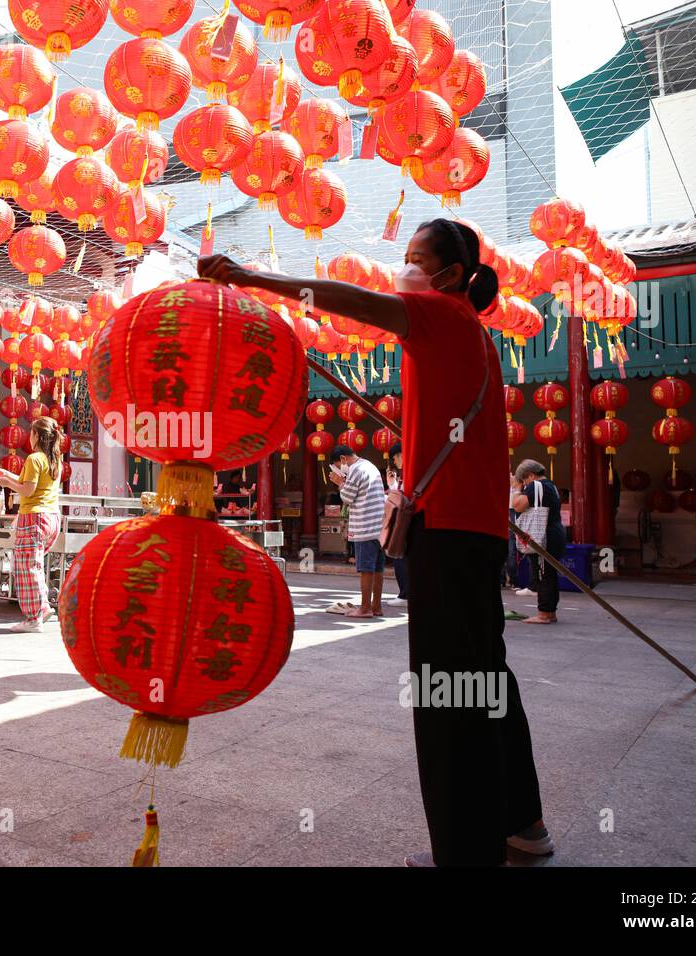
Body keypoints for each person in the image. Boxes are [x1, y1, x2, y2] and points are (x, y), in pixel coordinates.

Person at [199, 218, 551, 866]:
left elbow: (352, 301)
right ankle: (522, 823)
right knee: (486, 679)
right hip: (471, 534)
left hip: (445, 533)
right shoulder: (472, 336)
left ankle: (464, 853)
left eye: (417, 258)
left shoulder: (438, 315)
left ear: (449, 274)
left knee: (449, 693)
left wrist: (251, 279)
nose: (405, 268)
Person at [0, 416, 64, 633]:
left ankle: (34, 618)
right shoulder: (55, 459)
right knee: (36, 565)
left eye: (31, 433)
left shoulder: (34, 459)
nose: (28, 437)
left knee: (26, 567)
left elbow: (27, 490)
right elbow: (31, 483)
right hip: (51, 517)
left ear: (37, 436)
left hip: (33, 517)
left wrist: (7, 483)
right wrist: (9, 475)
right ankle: (42, 608)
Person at [330, 444, 386, 617]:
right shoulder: (369, 465)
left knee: (366, 569)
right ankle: (376, 606)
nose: (341, 471)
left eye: (338, 467)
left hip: (365, 526)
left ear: (343, 459)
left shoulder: (355, 469)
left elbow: (347, 497)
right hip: (379, 527)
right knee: (378, 569)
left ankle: (365, 608)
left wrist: (340, 483)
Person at [511, 460, 565, 625]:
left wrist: (517, 489)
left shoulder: (536, 486)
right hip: (554, 533)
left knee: (542, 575)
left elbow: (517, 506)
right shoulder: (551, 486)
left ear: (531, 475)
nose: (524, 484)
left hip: (543, 536)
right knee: (549, 574)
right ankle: (550, 612)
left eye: (524, 480)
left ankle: (544, 613)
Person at [383, 443, 409, 606]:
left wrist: (391, 486)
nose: (395, 462)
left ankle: (405, 594)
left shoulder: (408, 473)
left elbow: (401, 498)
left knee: (400, 556)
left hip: (405, 522)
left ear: (400, 455)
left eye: (395, 458)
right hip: (408, 521)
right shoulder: (405, 473)